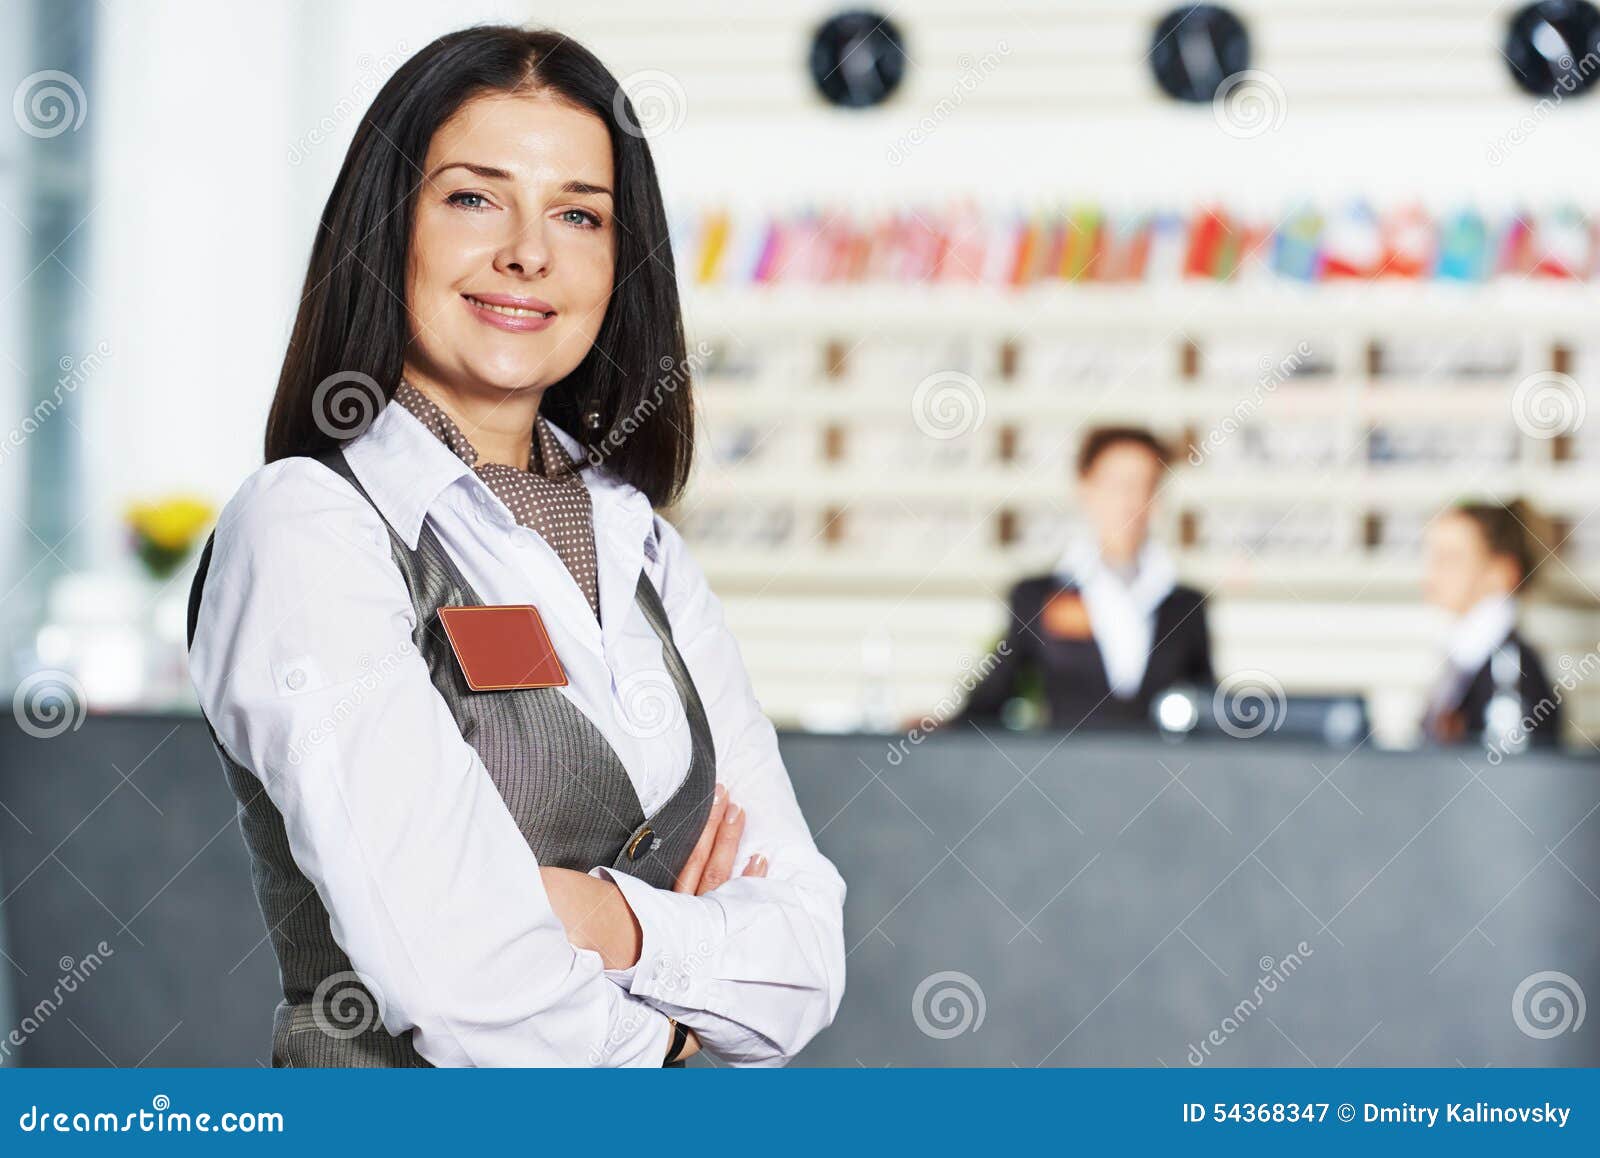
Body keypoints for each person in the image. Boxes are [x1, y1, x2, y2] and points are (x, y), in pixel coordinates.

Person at [186, 26, 845, 1068]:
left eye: (579, 214)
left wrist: (597, 918)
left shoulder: (642, 544)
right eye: (473, 198)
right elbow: (457, 985)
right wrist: (680, 1022)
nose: (529, 253)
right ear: (385, 231)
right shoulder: (308, 527)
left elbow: (806, 961)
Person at [957, 426, 1212, 731]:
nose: (1130, 501)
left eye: (1145, 485)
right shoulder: (1037, 597)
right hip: (1064, 761)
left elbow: (1207, 706)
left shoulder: (1185, 605)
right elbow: (993, 695)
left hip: (1161, 761)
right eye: (1117, 484)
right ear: (1085, 487)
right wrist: (939, 733)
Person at [1420, 501, 1559, 749]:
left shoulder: (1512, 672)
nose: (1431, 574)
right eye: (1432, 556)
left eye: (1450, 558)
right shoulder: (1463, 661)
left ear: (1502, 572)